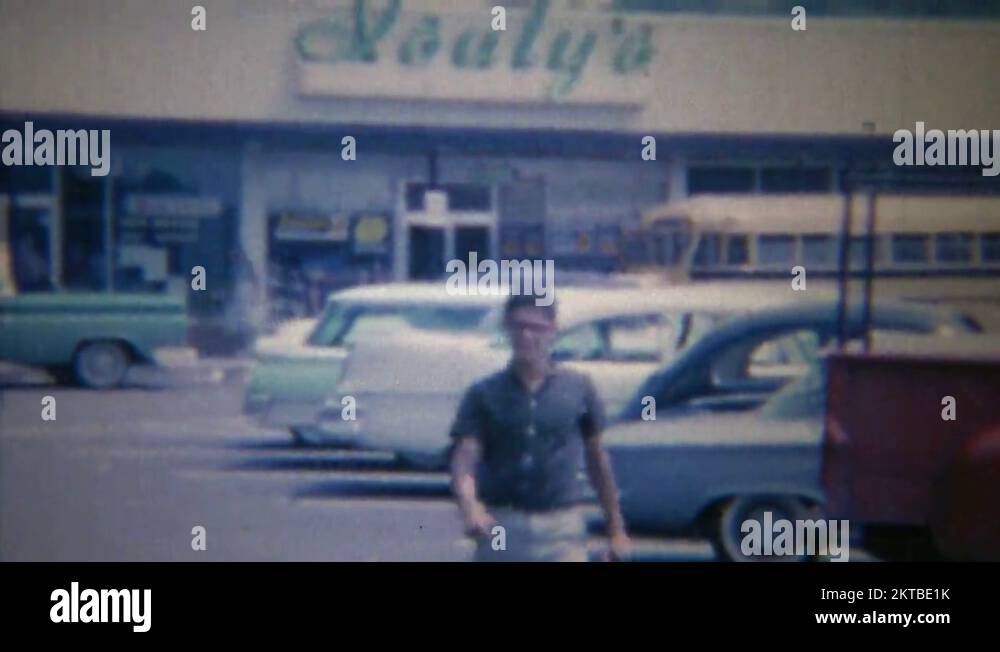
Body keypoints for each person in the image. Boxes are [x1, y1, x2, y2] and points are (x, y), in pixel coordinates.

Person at [450, 293, 632, 562]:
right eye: (518, 326)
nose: (526, 335)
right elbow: (464, 461)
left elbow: (598, 462)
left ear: (552, 330)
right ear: (507, 328)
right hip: (503, 523)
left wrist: (616, 530)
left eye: (536, 327)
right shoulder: (484, 393)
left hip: (562, 526)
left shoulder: (579, 388)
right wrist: (471, 508)